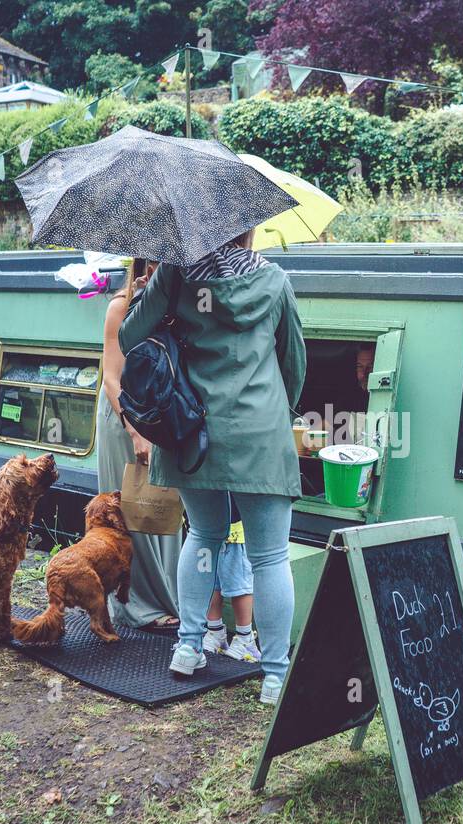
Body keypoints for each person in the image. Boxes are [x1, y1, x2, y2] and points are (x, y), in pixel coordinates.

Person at [119, 231, 305, 705]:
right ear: (246, 228)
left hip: (192, 431)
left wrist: (153, 295)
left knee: (203, 536)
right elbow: (293, 362)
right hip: (259, 433)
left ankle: (188, 647)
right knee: (269, 556)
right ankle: (275, 675)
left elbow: (129, 338)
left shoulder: (175, 274)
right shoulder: (275, 279)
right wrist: (276, 416)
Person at [96, 258, 180, 631]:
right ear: (142, 263)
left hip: (161, 415)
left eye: (169, 262)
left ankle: (170, 598)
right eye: (155, 261)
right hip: (123, 415)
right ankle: (136, 606)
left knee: (166, 508)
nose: (160, 268)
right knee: (131, 509)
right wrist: (135, 431)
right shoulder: (120, 306)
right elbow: (112, 377)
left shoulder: (178, 306)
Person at [202, 493, 259, 662]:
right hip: (235, 529)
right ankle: (244, 639)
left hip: (208, 526)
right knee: (240, 588)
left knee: (213, 583)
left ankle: (214, 632)